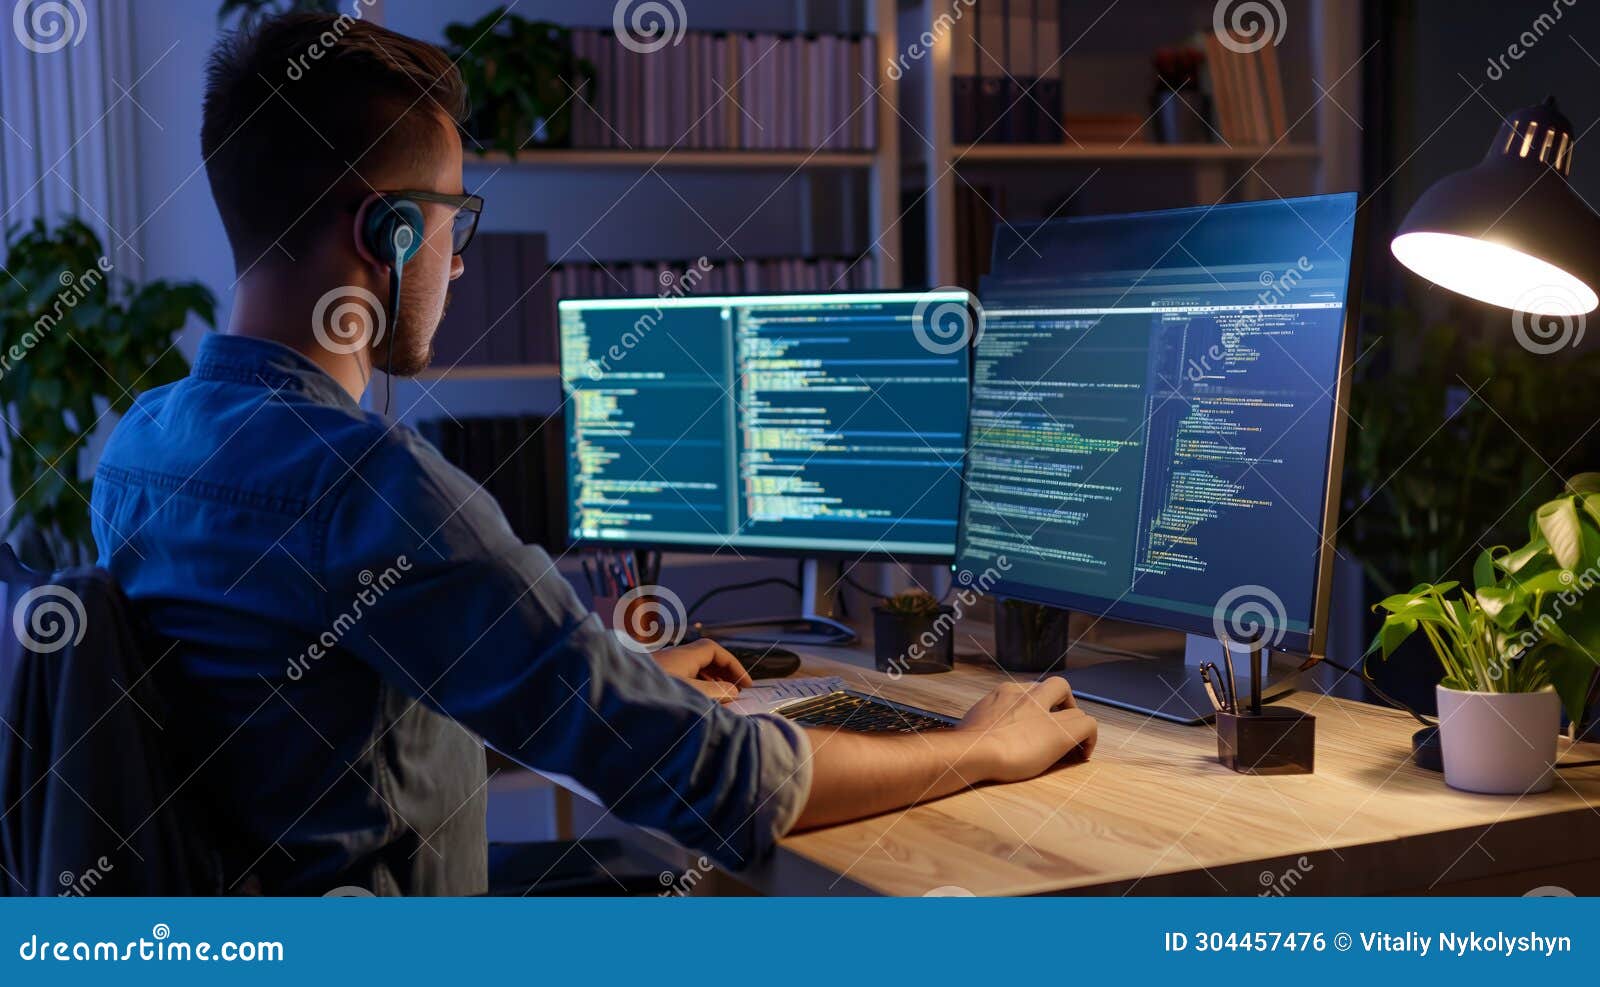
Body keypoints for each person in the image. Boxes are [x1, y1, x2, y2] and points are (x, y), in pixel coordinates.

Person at [91, 13, 1097, 895]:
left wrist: (608, 675)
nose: (462, 255)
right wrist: (981, 746)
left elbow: (306, 728)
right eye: (455, 217)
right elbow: (719, 786)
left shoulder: (143, 447)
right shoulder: (374, 491)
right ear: (389, 234)